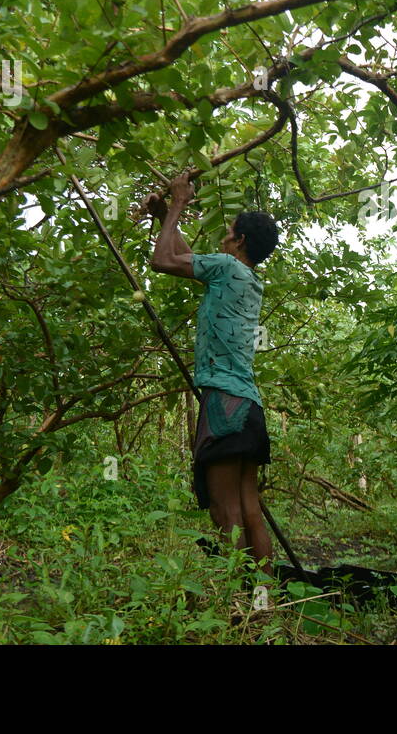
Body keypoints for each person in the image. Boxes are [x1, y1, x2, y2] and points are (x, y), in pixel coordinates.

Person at [146, 174, 280, 570]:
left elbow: (163, 261)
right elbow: (188, 260)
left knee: (226, 512)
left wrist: (178, 204)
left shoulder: (225, 267)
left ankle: (236, 598)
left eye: (229, 230)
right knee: (249, 506)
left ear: (238, 241)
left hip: (223, 402)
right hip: (248, 404)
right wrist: (164, 216)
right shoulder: (246, 278)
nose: (225, 234)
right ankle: (264, 601)